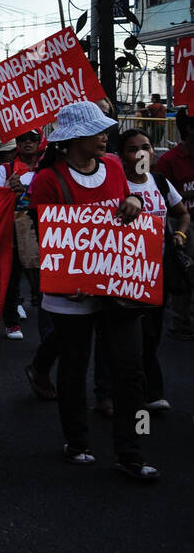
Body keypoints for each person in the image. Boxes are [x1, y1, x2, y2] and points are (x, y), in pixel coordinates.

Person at [27, 101, 158, 481]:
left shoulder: (116, 167)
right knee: (74, 367)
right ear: (73, 140)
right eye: (97, 132)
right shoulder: (48, 180)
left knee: (130, 371)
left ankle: (131, 452)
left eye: (104, 131)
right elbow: (46, 234)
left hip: (117, 288)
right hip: (72, 293)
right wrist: (73, 279)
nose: (105, 137)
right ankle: (77, 441)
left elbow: (127, 206)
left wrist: (133, 200)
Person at [119, 127, 189, 412]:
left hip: (156, 274)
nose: (142, 153)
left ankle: (142, 390)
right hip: (123, 275)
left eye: (146, 146)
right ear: (122, 155)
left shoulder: (159, 182)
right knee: (125, 336)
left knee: (150, 334)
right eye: (134, 148)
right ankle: (143, 392)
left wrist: (180, 235)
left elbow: (182, 213)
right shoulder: (117, 184)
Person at [0, 130, 43, 341]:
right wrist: (7, 190)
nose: (28, 143)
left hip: (39, 228)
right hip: (11, 229)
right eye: (22, 139)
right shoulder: (6, 169)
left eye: (33, 139)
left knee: (42, 281)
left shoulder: (47, 169)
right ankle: (11, 322)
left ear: (40, 141)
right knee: (11, 277)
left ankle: (47, 323)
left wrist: (27, 193)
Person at [155, 108, 194, 339]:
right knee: (186, 271)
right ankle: (181, 322)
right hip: (183, 223)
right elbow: (160, 196)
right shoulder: (169, 160)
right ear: (189, 129)